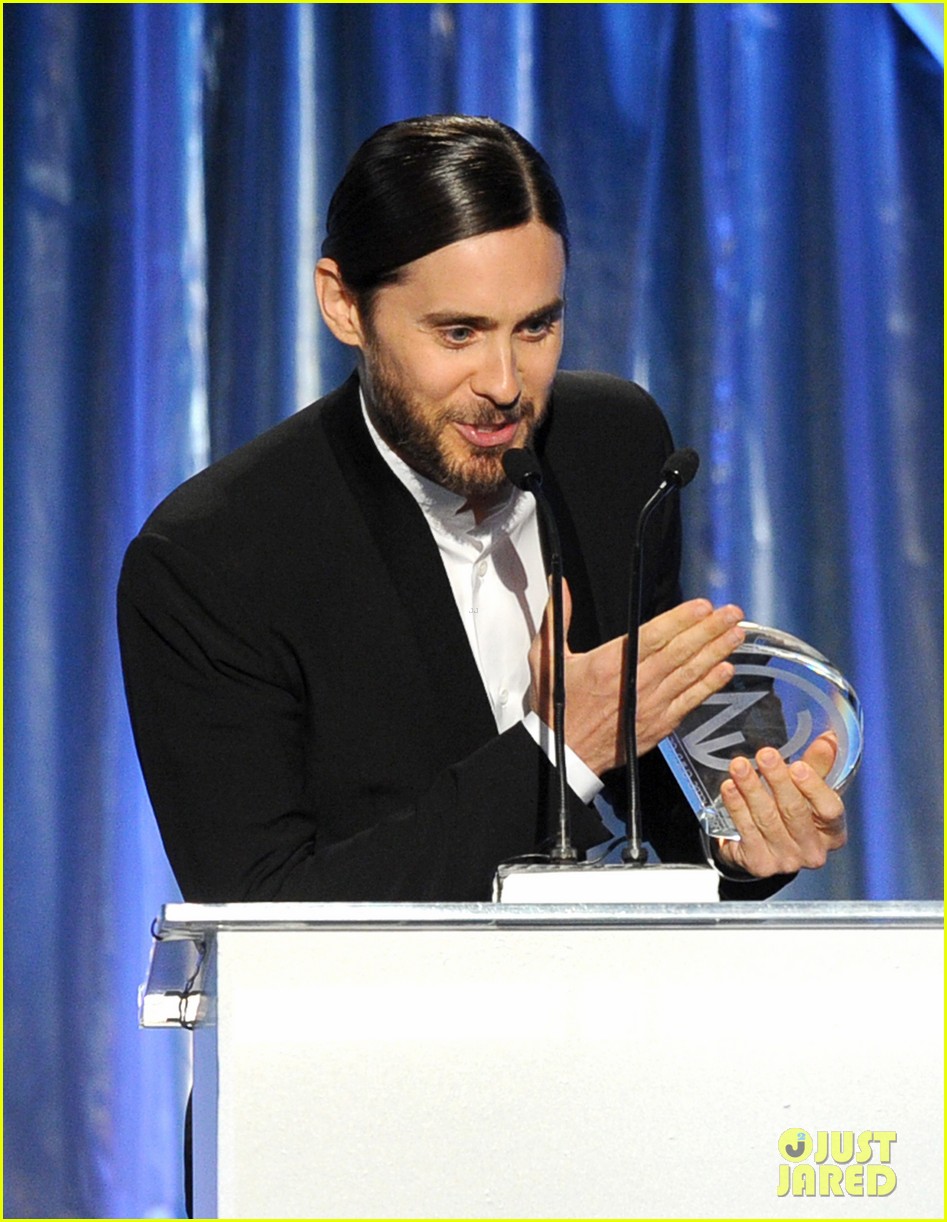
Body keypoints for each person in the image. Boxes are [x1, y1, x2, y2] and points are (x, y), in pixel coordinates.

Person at [118, 114, 846, 907]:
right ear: (343, 305)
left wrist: (743, 832)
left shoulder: (612, 446)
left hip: (608, 982)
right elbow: (261, 914)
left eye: (536, 326)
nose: (504, 384)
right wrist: (561, 750)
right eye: (458, 333)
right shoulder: (214, 560)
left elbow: (671, 795)